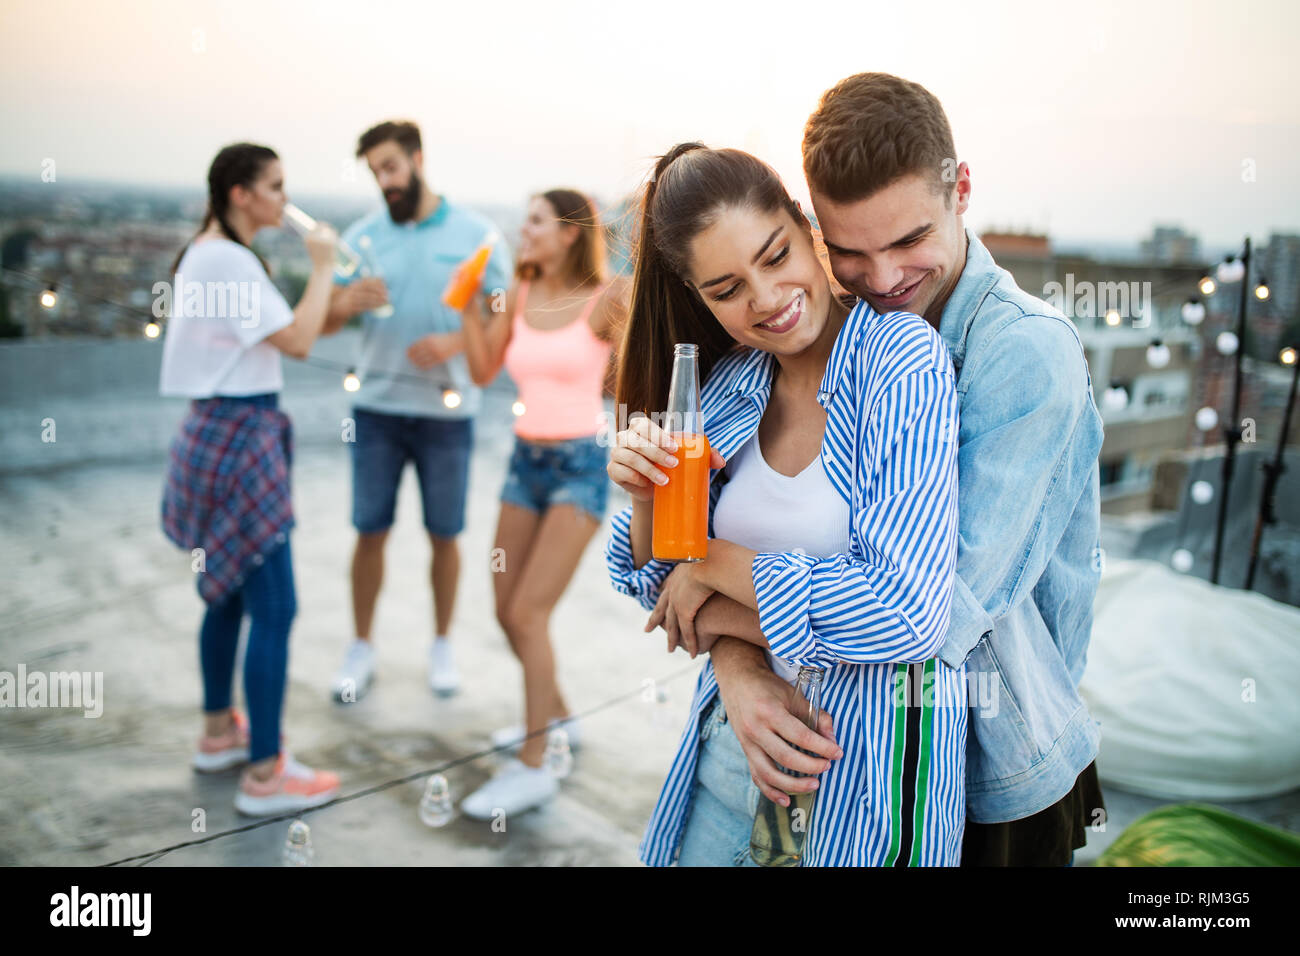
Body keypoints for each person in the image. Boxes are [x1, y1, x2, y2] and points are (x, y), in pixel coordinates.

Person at [715, 72, 1107, 866]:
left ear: (961, 190)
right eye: (849, 252)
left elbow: (931, 619)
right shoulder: (841, 327)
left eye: (907, 241)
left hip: (995, 769)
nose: (884, 279)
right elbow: (740, 528)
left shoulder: (1026, 355)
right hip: (850, 747)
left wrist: (717, 598)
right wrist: (735, 665)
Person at [604, 143, 967, 866]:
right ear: (697, 295)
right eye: (727, 288)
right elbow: (656, 581)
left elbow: (906, 614)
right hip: (725, 757)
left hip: (861, 784)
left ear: (805, 226)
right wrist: (646, 495)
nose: (766, 299)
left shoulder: (899, 362)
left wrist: (712, 562)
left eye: (775, 256)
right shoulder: (731, 384)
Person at [160, 142, 341, 816]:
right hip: (244, 436)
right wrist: (321, 266)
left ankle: (218, 733)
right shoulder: (229, 260)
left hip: (211, 431)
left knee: (226, 595)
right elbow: (296, 341)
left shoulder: (199, 254)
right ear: (240, 193)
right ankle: (266, 773)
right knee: (275, 607)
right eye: (274, 186)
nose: (283, 200)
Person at [321, 120, 512, 703]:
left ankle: (442, 644)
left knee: (444, 535)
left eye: (392, 167)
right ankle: (360, 646)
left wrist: (458, 343)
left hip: (447, 415)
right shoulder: (361, 239)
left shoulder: (478, 235)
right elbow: (321, 320)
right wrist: (343, 301)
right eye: (376, 172)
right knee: (369, 530)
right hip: (375, 409)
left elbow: (503, 309)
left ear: (417, 159)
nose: (385, 181)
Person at [452, 189, 628, 818]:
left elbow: (645, 361)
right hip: (524, 464)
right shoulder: (520, 292)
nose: (521, 230)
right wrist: (470, 309)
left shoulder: (607, 297)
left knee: (529, 611)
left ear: (570, 233)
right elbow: (478, 371)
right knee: (504, 606)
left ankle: (533, 766)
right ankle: (557, 720)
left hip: (579, 469)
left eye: (534, 220)